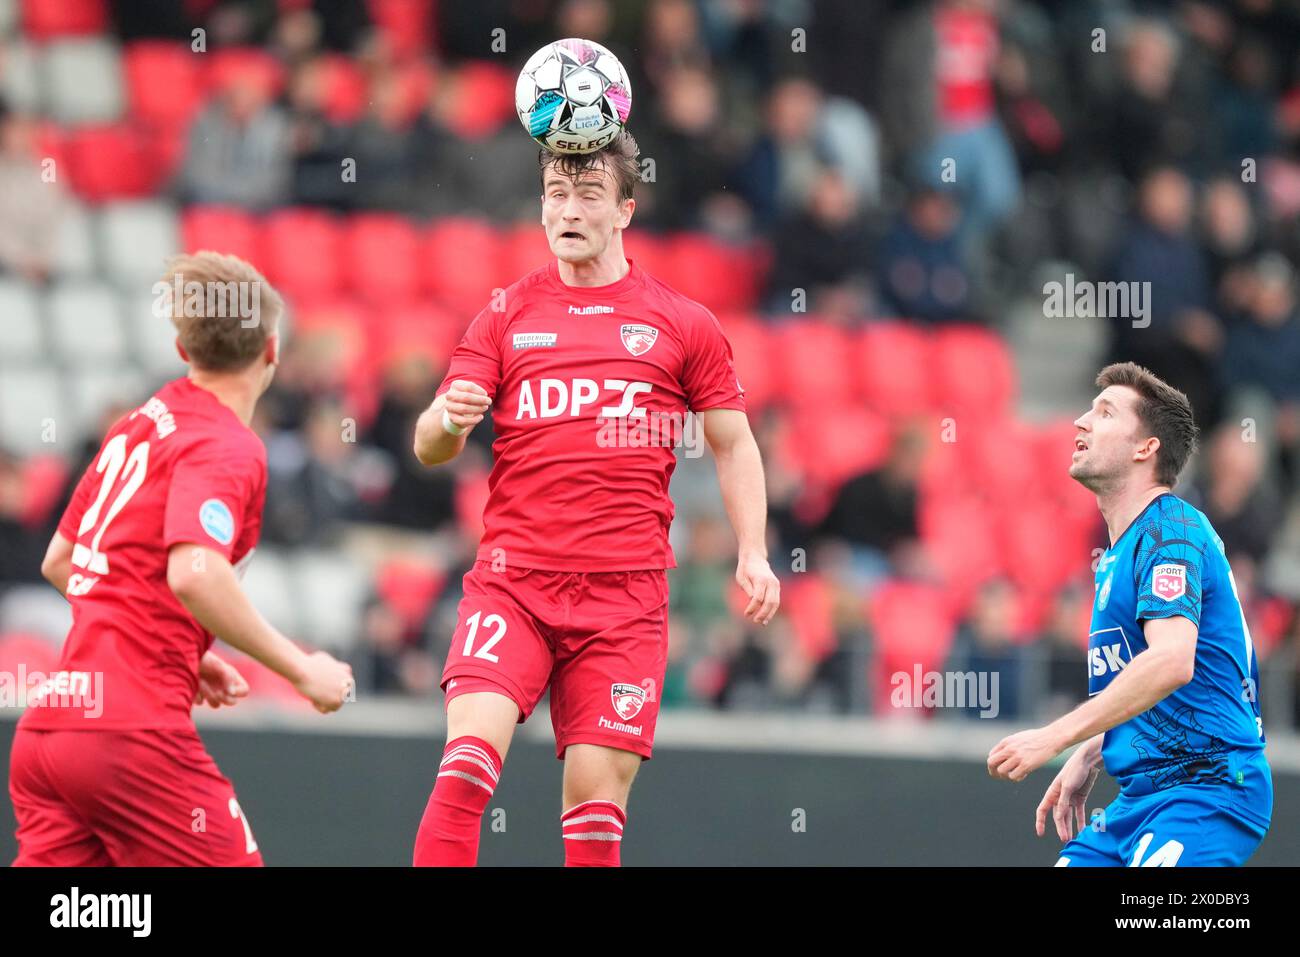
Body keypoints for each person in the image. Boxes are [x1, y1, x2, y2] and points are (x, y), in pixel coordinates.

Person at [410, 131, 780, 867]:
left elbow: (735, 443)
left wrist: (754, 550)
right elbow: (429, 442)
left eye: (587, 195)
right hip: (512, 587)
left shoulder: (682, 324)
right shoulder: (505, 315)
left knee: (592, 804)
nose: (568, 210)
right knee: (466, 765)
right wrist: (445, 424)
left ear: (625, 211)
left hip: (624, 602)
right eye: (555, 193)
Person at [9, 252, 354, 866]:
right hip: (129, 736)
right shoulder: (226, 445)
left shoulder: (140, 421)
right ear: (273, 349)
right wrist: (301, 669)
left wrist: (185, 651)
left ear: (181, 345)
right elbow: (195, 572)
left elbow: (63, 560)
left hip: (55, 730)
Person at [987, 362, 1271, 866]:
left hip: (1206, 790)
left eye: (1104, 412)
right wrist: (1096, 746)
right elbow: (1165, 679)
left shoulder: (1171, 532)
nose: (1080, 421)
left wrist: (1054, 737)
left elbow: (1172, 662)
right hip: (1139, 801)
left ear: (1146, 448)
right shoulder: (1122, 549)